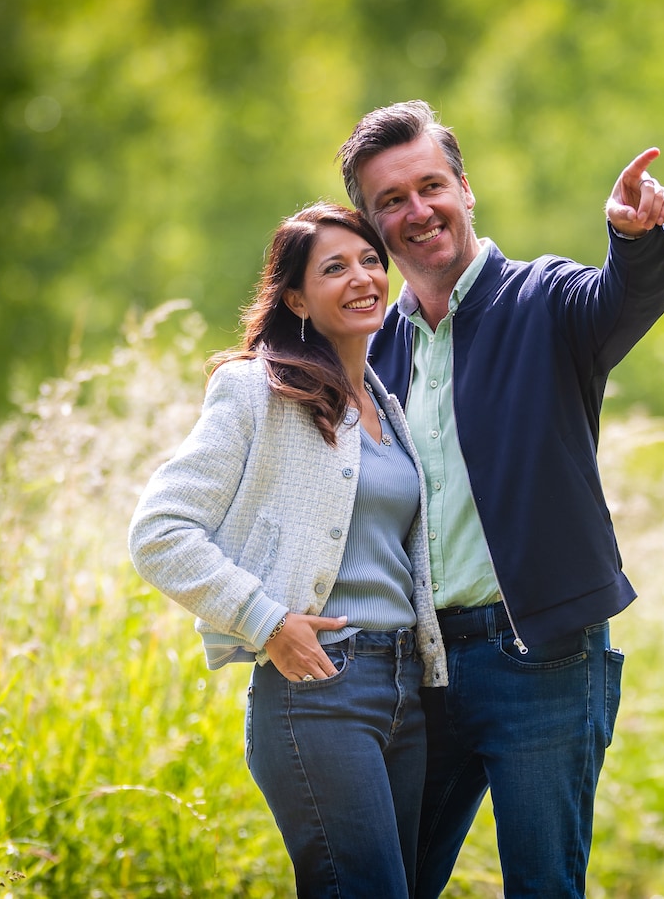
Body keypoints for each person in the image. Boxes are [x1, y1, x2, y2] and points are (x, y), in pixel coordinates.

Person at [335, 100, 664, 898]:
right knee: (383, 883)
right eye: (392, 200)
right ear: (370, 223)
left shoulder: (547, 300)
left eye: (430, 186)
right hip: (414, 669)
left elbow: (623, 301)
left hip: (542, 661)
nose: (417, 212)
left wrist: (633, 240)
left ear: (465, 189)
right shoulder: (373, 349)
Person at [128, 202, 447, 899]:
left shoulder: (389, 408)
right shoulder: (254, 389)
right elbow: (159, 530)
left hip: (405, 691)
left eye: (370, 260)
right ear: (296, 298)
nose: (362, 277)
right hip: (320, 692)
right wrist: (266, 622)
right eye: (335, 267)